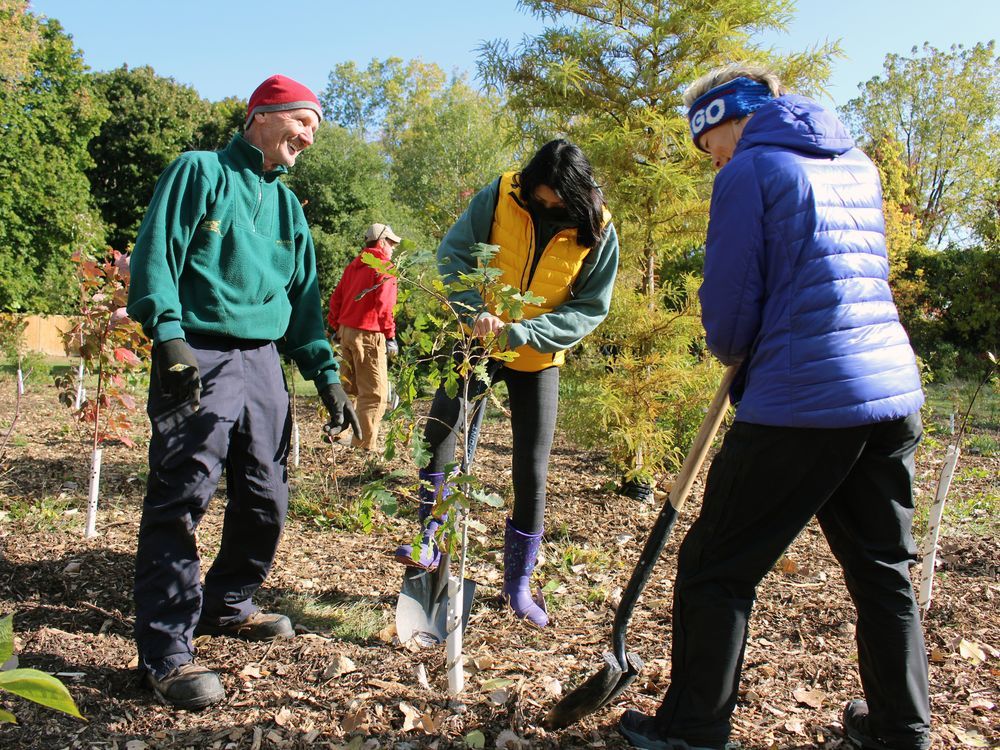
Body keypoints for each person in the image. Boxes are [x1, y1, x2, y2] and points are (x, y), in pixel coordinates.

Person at [618, 64, 930, 750]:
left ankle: (693, 731)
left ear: (732, 118)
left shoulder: (749, 173)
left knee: (715, 569)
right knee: (882, 574)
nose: (714, 159)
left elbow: (730, 317)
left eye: (712, 144)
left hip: (804, 401)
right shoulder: (859, 164)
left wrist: (729, 348)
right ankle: (900, 732)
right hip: (889, 393)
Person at [126, 74, 360, 710]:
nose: (309, 137)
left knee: (267, 496)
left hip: (262, 362)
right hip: (197, 351)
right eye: (302, 122)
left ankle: (227, 604)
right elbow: (156, 255)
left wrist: (327, 375)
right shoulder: (198, 172)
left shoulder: (287, 210)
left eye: (315, 127)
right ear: (261, 116)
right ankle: (166, 652)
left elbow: (305, 301)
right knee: (182, 496)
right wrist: (167, 333)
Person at [392, 139, 620, 628]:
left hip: (538, 354)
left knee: (531, 468)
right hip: (477, 339)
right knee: (441, 430)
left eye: (557, 202)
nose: (546, 206)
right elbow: (453, 254)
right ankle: (430, 537)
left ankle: (517, 585)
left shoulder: (598, 224)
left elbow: (590, 307)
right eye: (540, 198)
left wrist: (528, 332)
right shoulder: (501, 194)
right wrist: (475, 310)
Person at [327, 223, 400, 452]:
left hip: (345, 332)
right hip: (369, 334)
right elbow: (384, 306)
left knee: (347, 388)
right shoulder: (384, 267)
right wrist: (390, 336)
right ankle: (364, 446)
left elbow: (336, 298)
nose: (393, 248)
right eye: (391, 243)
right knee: (374, 393)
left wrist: (334, 328)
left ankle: (338, 436)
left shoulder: (353, 266)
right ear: (381, 242)